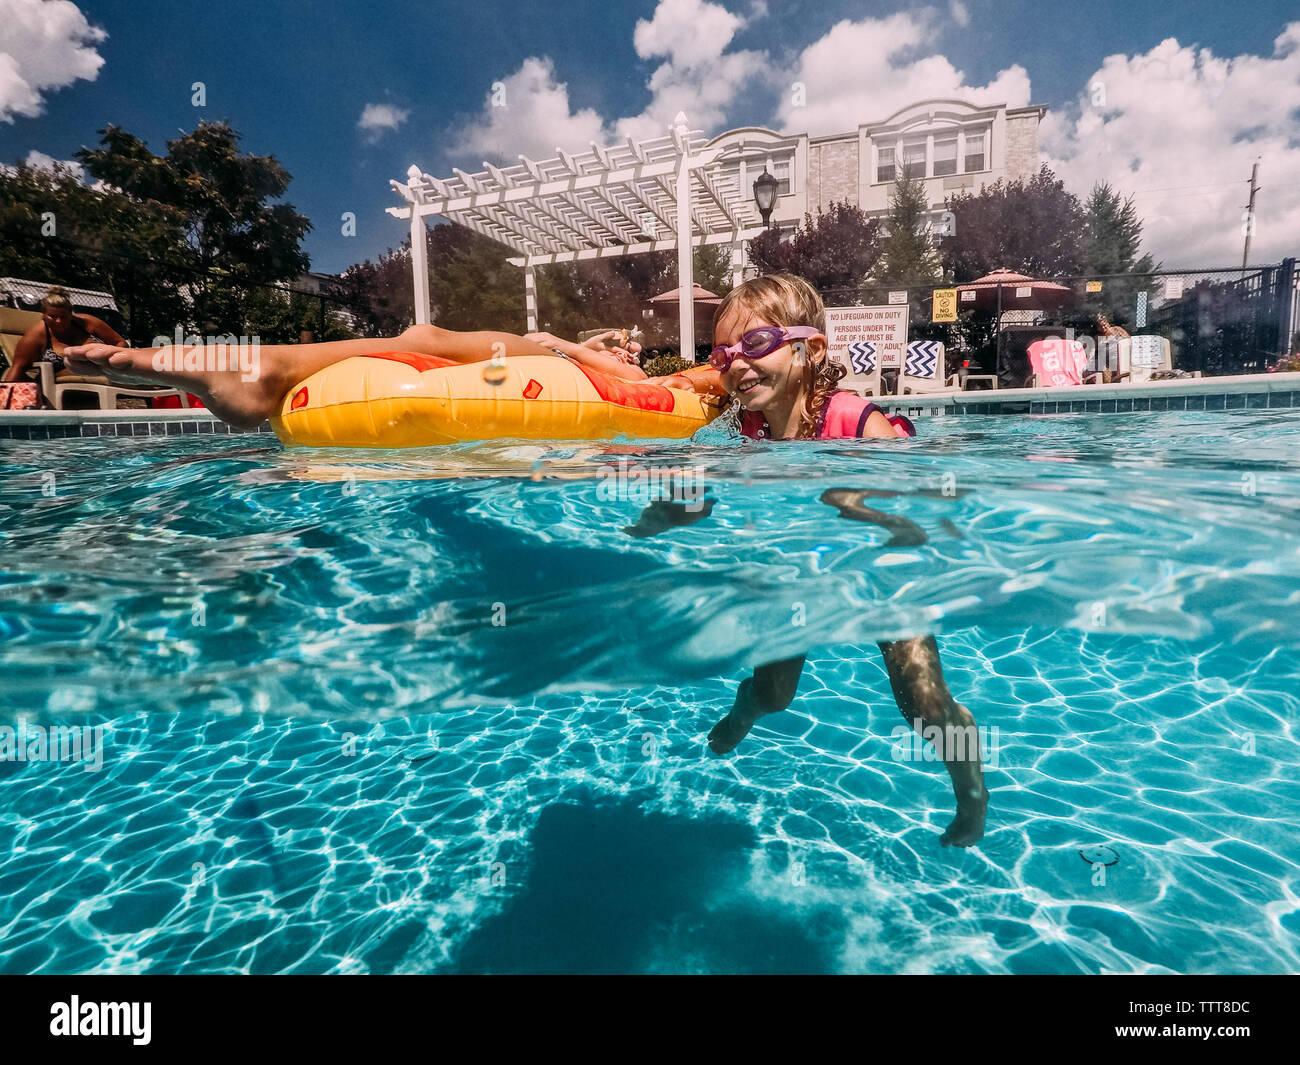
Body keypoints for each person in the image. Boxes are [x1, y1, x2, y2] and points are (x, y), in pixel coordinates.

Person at [704, 273, 988, 847]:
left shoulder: (857, 422)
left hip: (881, 573)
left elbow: (909, 511)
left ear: (811, 349)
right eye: (722, 353)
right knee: (775, 694)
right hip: (802, 573)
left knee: (925, 707)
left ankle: (971, 795)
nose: (737, 363)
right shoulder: (742, 431)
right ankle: (743, 713)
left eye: (756, 344)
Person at [60, 321, 724, 427]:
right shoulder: (609, 358)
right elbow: (555, 343)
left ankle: (265, 368)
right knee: (422, 340)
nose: (630, 349)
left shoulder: (678, 385)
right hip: (547, 359)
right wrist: (587, 343)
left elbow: (714, 385)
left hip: (552, 366)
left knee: (425, 339)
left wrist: (596, 354)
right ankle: (263, 368)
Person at [2, 286, 127, 384]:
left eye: (63, 316)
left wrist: (109, 359)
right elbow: (18, 367)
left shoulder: (88, 323)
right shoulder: (38, 333)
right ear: (43, 314)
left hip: (103, 373)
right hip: (60, 382)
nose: (58, 321)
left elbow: (121, 343)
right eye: (52, 316)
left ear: (71, 313)